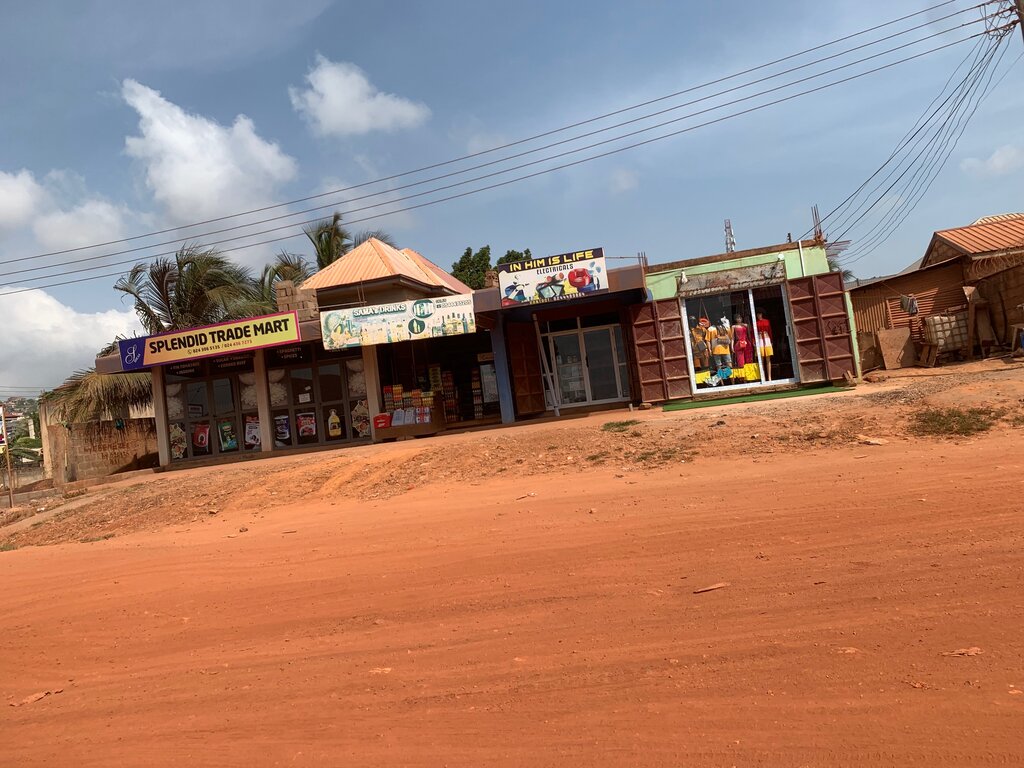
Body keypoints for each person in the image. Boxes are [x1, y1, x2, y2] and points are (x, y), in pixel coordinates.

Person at [756, 311, 774, 381]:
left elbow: (770, 330)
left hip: (767, 339)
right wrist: (754, 341)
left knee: (768, 358)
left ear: (762, 314)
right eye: (757, 314)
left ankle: (769, 377)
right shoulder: (755, 322)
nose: (759, 315)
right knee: (761, 359)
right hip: (760, 340)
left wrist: (771, 340)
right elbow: (753, 332)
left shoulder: (767, 321)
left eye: (760, 314)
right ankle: (763, 377)